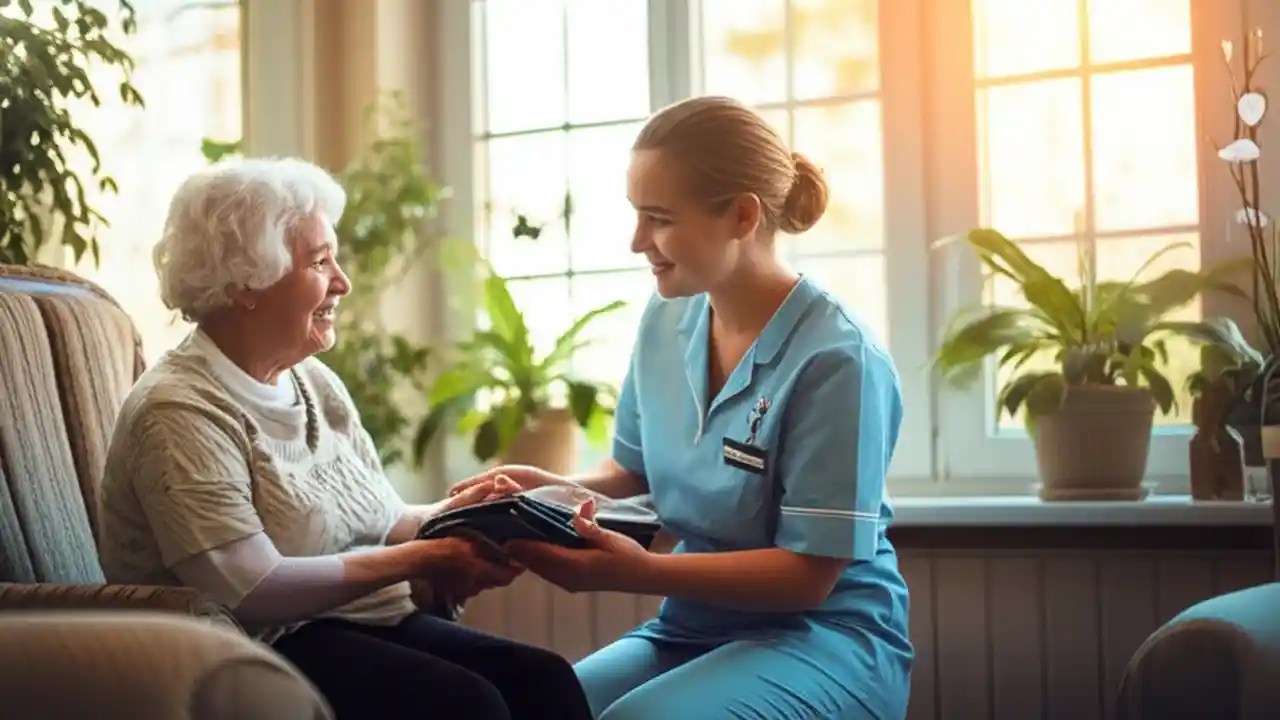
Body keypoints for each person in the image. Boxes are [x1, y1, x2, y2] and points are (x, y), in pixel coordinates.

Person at [453, 96, 914, 720]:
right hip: (693, 628)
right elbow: (635, 481)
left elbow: (808, 575)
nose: (638, 240)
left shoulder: (839, 360)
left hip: (823, 637)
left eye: (659, 218)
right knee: (539, 706)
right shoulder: (666, 317)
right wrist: (545, 494)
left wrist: (636, 574)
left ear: (742, 216)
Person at [98, 158, 593, 720]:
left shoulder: (314, 382)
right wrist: (422, 556)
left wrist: (466, 518)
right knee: (466, 705)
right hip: (250, 647)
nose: (343, 282)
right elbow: (250, 586)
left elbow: (384, 521)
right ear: (245, 285)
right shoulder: (179, 408)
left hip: (356, 619)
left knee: (543, 681)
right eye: (319, 261)